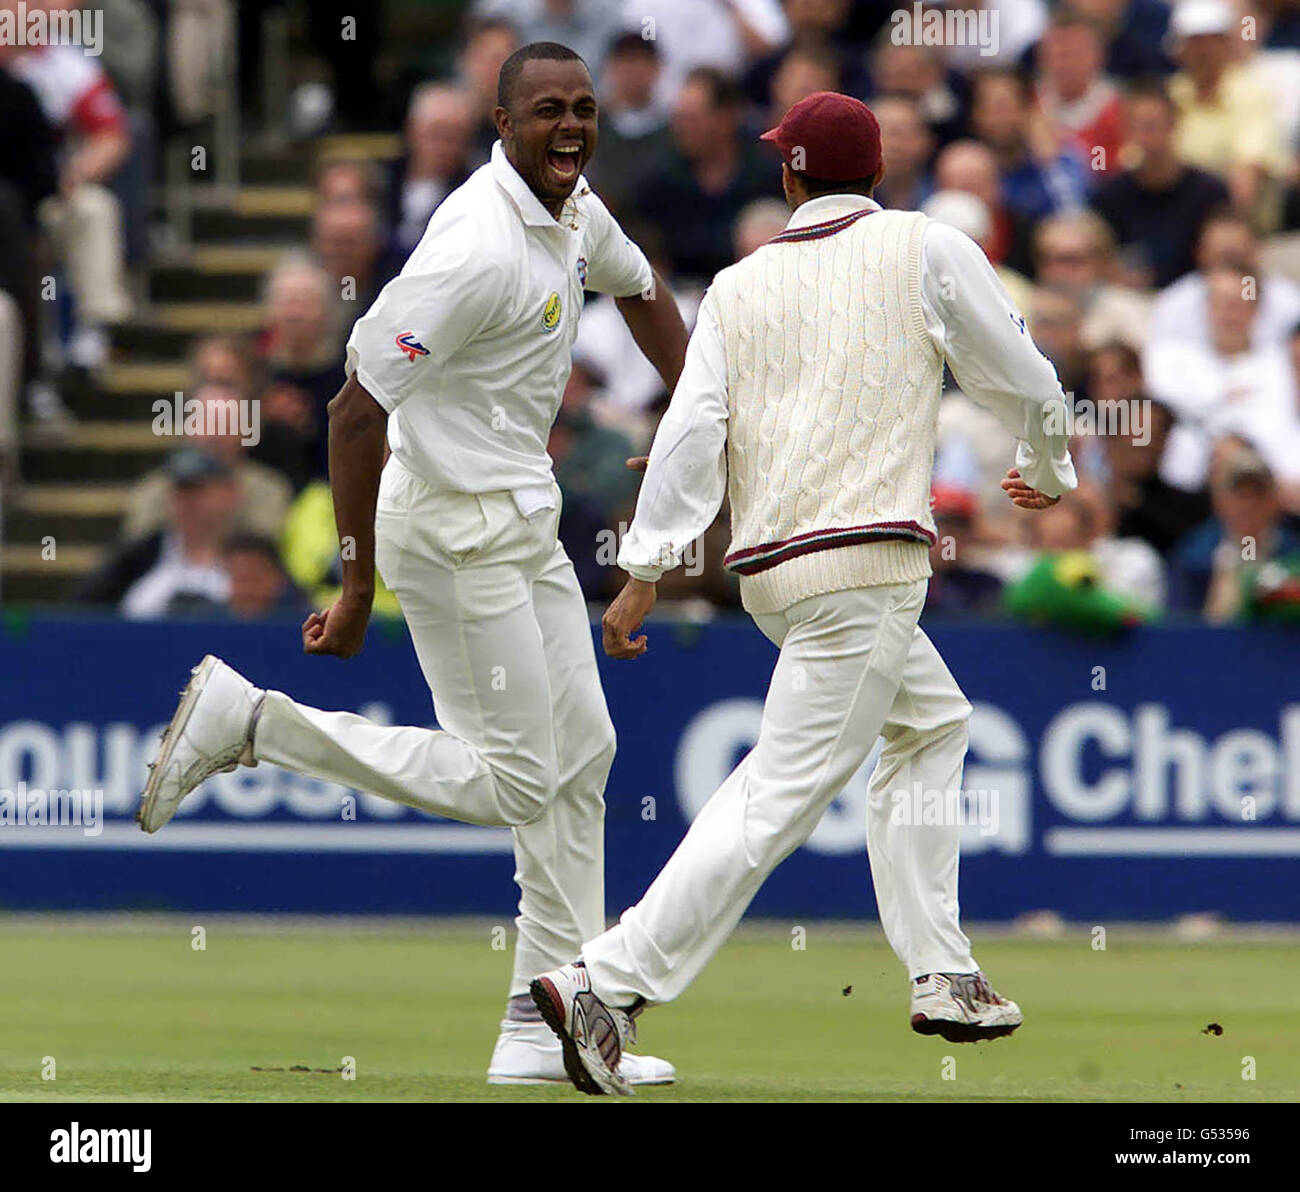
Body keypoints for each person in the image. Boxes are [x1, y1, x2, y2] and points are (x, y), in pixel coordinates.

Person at [134, 42, 690, 1088]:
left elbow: (646, 287)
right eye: (545, 113)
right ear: (501, 121)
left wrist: (695, 411)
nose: (569, 127)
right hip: (446, 532)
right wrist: (353, 582)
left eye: (582, 109)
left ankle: (545, 1024)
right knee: (518, 780)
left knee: (585, 755)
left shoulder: (573, 213)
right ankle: (250, 720)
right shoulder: (473, 248)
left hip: (520, 518)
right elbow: (353, 408)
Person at [529, 92, 1078, 1095]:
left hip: (775, 578)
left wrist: (645, 566)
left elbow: (692, 432)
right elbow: (1024, 375)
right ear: (875, 173)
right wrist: (1049, 464)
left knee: (932, 722)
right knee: (776, 794)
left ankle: (943, 970)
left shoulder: (738, 285)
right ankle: (605, 976)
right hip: (866, 571)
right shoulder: (924, 244)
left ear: (788, 175)